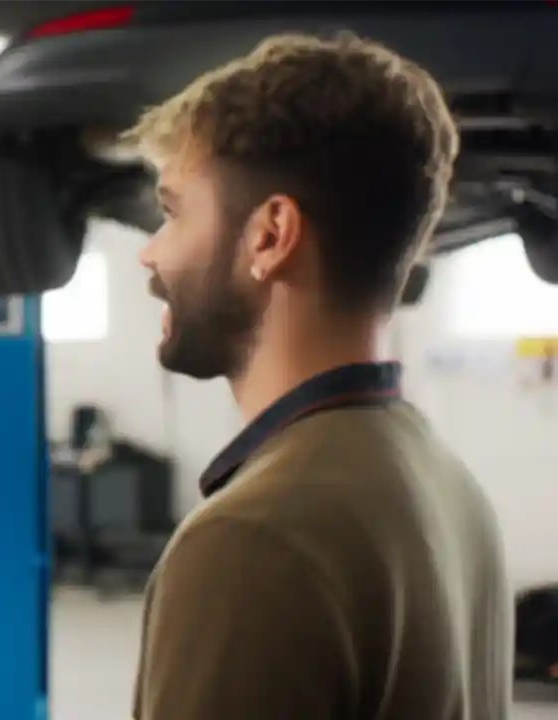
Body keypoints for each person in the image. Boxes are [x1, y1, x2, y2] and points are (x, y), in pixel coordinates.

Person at [120, 33, 511, 719]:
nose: (149, 253)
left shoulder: (251, 543)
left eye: (174, 210)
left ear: (270, 235)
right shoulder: (452, 488)